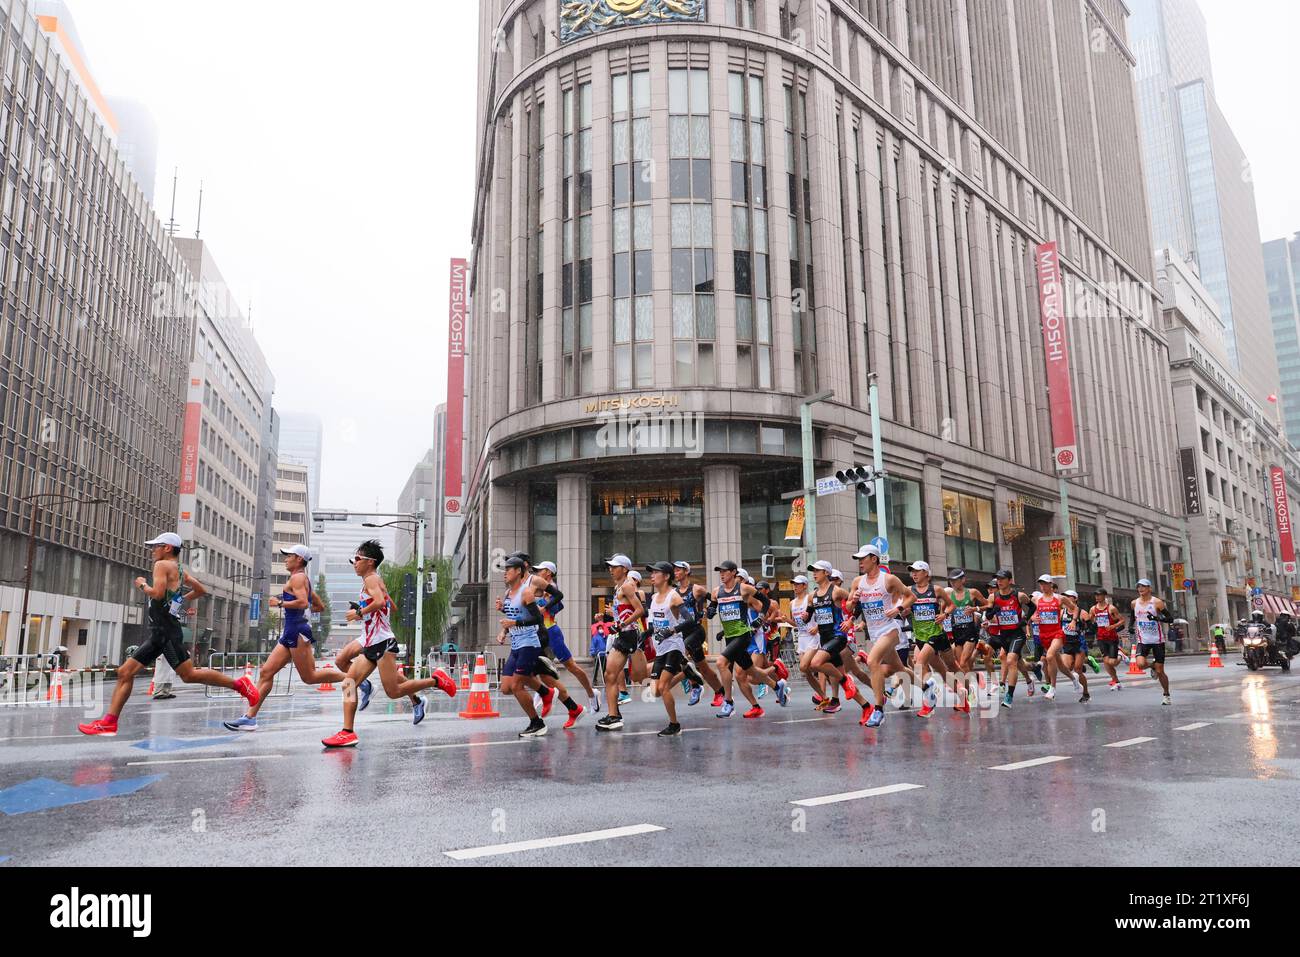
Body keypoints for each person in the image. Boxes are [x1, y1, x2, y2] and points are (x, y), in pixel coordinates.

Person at [79, 533, 260, 736]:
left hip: (165, 632)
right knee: (125, 673)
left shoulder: (162, 566)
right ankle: (109, 722)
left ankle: (241, 685)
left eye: (156, 546)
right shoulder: (180, 570)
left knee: (189, 675)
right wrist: (176, 603)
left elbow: (156, 593)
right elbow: (200, 590)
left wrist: (142, 585)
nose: (152, 550)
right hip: (161, 630)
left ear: (167, 548)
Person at [320, 541, 457, 747]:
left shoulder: (372, 578)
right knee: (348, 684)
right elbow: (389, 604)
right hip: (372, 643)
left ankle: (436, 680)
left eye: (357, 559)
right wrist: (369, 604)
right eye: (353, 560)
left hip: (383, 643)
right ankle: (347, 731)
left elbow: (382, 603)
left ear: (370, 562)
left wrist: (358, 612)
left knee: (393, 691)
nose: (354, 563)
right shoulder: (372, 580)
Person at [224, 545, 357, 731]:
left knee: (309, 676)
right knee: (266, 672)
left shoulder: (298, 577)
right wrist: (302, 607)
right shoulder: (302, 580)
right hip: (291, 630)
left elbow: (303, 602)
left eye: (289, 556)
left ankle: (357, 678)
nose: (285, 559)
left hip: (296, 631)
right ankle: (250, 717)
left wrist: (280, 602)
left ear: (299, 559)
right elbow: (318, 605)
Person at [707, 560, 788, 718]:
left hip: (743, 634)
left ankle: (728, 703)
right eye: (720, 572)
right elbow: (713, 606)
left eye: (724, 571)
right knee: (750, 670)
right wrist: (710, 611)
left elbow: (765, 602)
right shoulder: (717, 591)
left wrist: (761, 618)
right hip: (730, 637)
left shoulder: (743, 589)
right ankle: (776, 686)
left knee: (721, 663)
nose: (721, 574)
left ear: (733, 572)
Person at [847, 544, 914, 728]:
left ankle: (878, 710)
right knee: (900, 668)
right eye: (859, 559)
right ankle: (926, 686)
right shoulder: (857, 582)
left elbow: (911, 596)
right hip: (874, 633)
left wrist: (898, 609)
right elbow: (847, 608)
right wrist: (853, 600)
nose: (860, 562)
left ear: (874, 559)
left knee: (872, 661)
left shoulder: (889, 579)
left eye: (863, 558)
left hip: (890, 629)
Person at [805, 561, 874, 722]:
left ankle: (845, 680)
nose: (814, 573)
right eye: (813, 571)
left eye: (817, 570)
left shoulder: (836, 592)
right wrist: (806, 616)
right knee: (845, 684)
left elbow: (854, 605)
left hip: (838, 636)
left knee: (815, 664)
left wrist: (850, 620)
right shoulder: (812, 596)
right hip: (825, 638)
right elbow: (809, 613)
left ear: (827, 573)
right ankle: (866, 707)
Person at [532, 561, 598, 717]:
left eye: (540, 570)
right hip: (539, 634)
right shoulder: (539, 589)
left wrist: (547, 605)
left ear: (548, 572)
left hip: (552, 633)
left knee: (571, 666)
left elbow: (556, 607)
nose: (537, 573)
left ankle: (591, 693)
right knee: (536, 665)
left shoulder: (551, 589)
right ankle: (542, 692)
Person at [596, 554, 649, 731]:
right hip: (622, 635)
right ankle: (614, 715)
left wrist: (621, 625)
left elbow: (640, 610)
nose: (611, 569)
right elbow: (621, 613)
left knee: (637, 676)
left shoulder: (627, 586)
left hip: (629, 634)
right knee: (610, 675)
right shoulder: (618, 586)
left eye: (614, 566)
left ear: (625, 569)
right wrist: (612, 621)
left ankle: (679, 667)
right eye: (610, 566)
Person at [644, 562, 695, 736]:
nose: (652, 576)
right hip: (660, 649)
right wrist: (645, 634)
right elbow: (652, 624)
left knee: (664, 687)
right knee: (656, 691)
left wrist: (671, 631)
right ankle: (685, 673)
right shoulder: (653, 598)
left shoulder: (673, 597)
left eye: (655, 572)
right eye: (651, 573)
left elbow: (689, 620)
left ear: (666, 576)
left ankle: (674, 725)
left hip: (674, 645)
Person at [672, 561, 724, 707]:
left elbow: (715, 598)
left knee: (681, 652)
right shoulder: (673, 592)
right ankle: (720, 691)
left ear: (686, 571)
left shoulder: (696, 589)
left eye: (678, 570)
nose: (675, 572)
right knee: (703, 668)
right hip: (682, 632)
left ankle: (695, 686)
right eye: (674, 570)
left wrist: (710, 610)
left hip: (696, 631)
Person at [1131, 578, 1172, 705]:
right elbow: (1133, 617)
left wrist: (1156, 618)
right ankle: (1152, 665)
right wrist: (1130, 627)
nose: (1140, 589)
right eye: (1139, 586)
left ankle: (1166, 694)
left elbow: (1170, 618)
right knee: (1140, 664)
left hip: (1157, 640)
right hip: (1143, 640)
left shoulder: (1157, 602)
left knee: (1160, 671)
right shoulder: (1134, 603)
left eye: (1143, 586)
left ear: (1149, 588)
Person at [1087, 589, 1126, 690]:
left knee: (1112, 662)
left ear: (1104, 596)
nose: (1097, 597)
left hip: (1112, 638)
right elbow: (1089, 620)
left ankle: (1121, 655)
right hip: (1101, 638)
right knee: (1106, 662)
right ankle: (1116, 681)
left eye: (1099, 595)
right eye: (1095, 595)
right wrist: (1090, 623)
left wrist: (1113, 626)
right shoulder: (1093, 609)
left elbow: (1122, 620)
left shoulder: (1111, 608)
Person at [589, 613, 610, 699]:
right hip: (598, 654)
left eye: (602, 628)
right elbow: (593, 645)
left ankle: (605, 679)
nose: (601, 629)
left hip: (604, 654)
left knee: (604, 667)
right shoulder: (596, 637)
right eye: (600, 628)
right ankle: (594, 679)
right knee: (597, 667)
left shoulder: (605, 636)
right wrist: (593, 652)